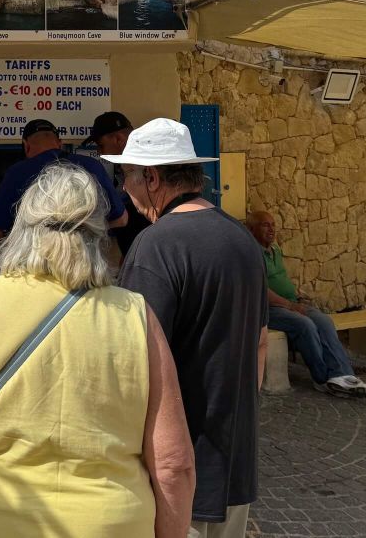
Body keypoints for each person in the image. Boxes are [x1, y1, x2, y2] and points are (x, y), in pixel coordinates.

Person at [0, 163, 197, 538]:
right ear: (98, 235)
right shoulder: (136, 316)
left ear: (23, 231)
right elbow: (174, 464)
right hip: (109, 522)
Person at [109, 118, 268, 538]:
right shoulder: (242, 238)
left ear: (153, 178)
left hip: (175, 470)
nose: (124, 188)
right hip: (234, 460)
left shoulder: (156, 245)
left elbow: (133, 359)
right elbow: (260, 344)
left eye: (127, 176)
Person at [245, 211, 366, 398]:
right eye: (266, 225)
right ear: (251, 229)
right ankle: (322, 379)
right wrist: (289, 306)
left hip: (290, 303)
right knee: (305, 325)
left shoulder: (275, 251)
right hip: (267, 309)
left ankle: (342, 375)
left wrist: (296, 297)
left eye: (273, 224)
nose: (272, 229)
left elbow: (280, 279)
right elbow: (259, 289)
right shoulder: (250, 254)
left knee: (324, 321)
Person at [0, 118, 127, 242]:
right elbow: (121, 220)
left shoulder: (17, 172)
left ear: (26, 146)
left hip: (36, 266)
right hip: (85, 262)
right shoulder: (91, 165)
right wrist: (86, 231)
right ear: (60, 143)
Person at [88, 111, 151, 256]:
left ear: (118, 139)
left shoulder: (142, 162)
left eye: (101, 145)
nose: (99, 152)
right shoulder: (125, 163)